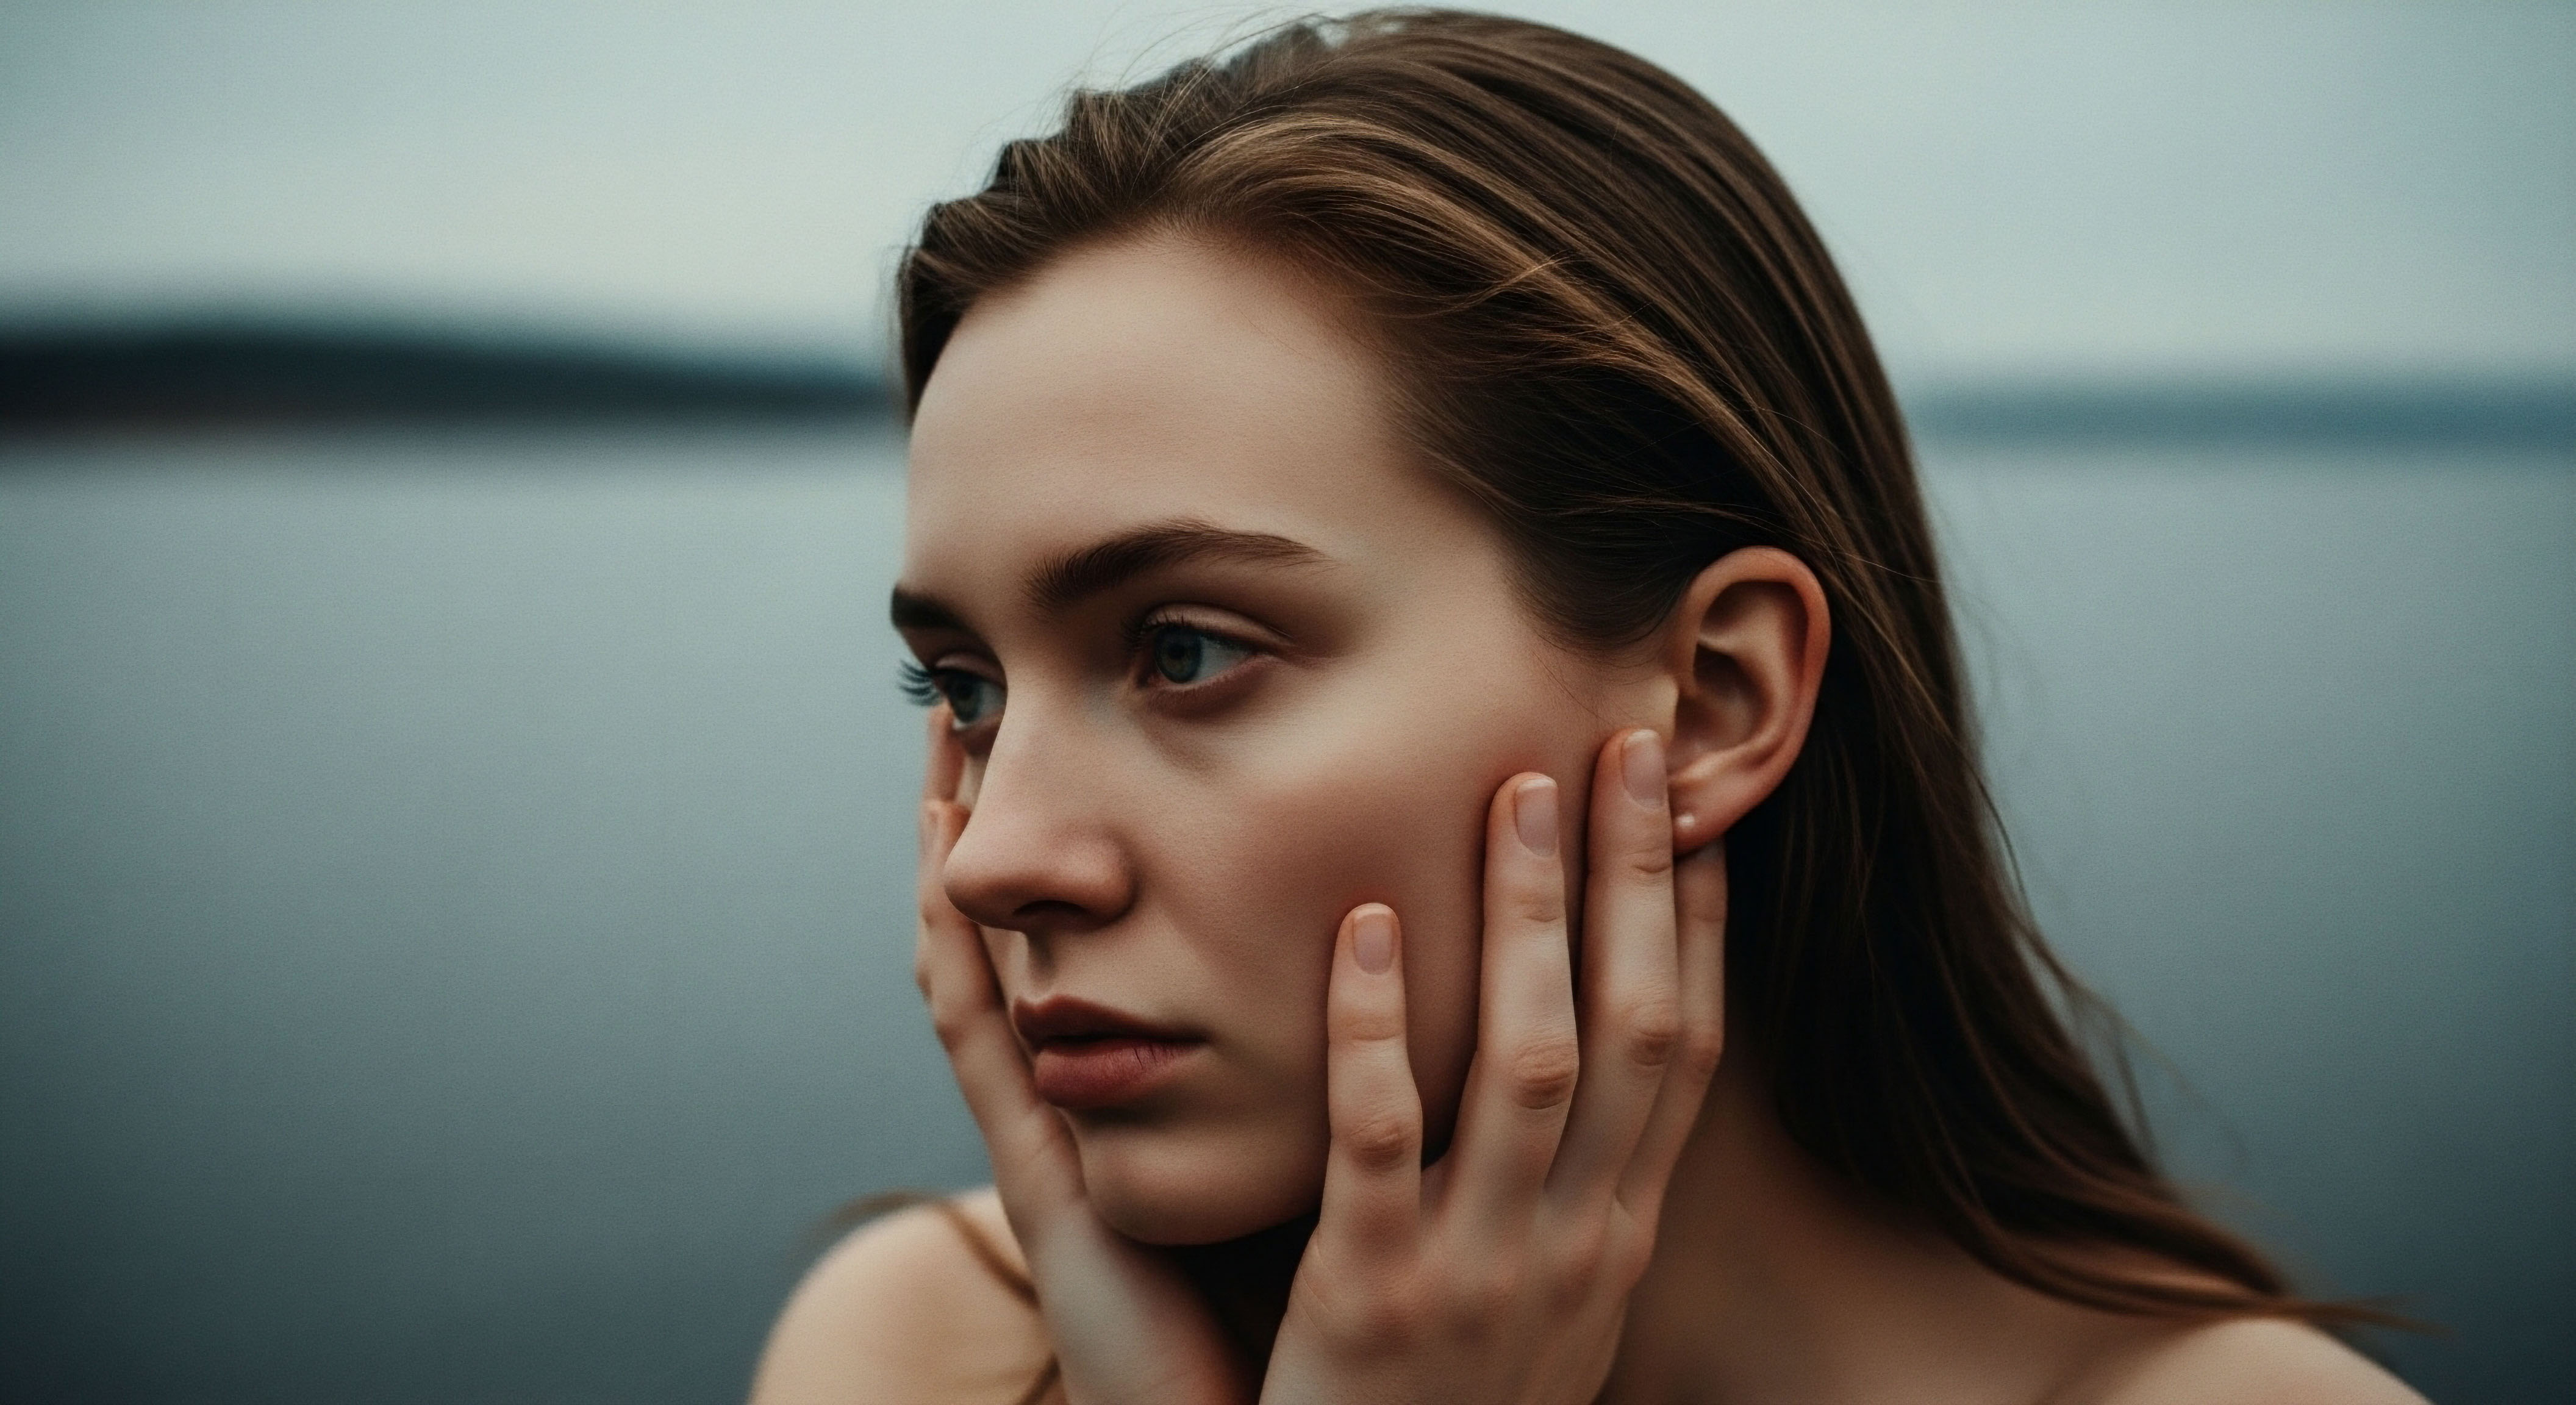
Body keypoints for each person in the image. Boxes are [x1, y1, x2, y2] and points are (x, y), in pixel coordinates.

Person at [749, 12, 2423, 1403]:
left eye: (1186, 650)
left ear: (1709, 701)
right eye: (960, 687)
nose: (994, 860)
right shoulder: (920, 1350)